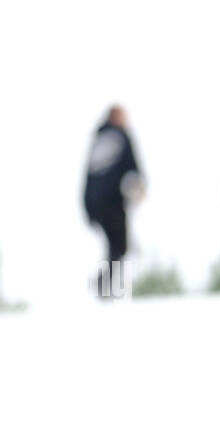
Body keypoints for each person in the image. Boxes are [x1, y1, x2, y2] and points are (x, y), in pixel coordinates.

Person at [83, 105, 144, 297]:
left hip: (97, 204)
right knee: (120, 246)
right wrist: (140, 186)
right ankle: (109, 288)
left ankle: (107, 287)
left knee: (114, 246)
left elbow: (88, 178)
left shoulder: (98, 140)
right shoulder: (121, 137)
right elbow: (133, 167)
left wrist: (88, 207)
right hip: (114, 202)